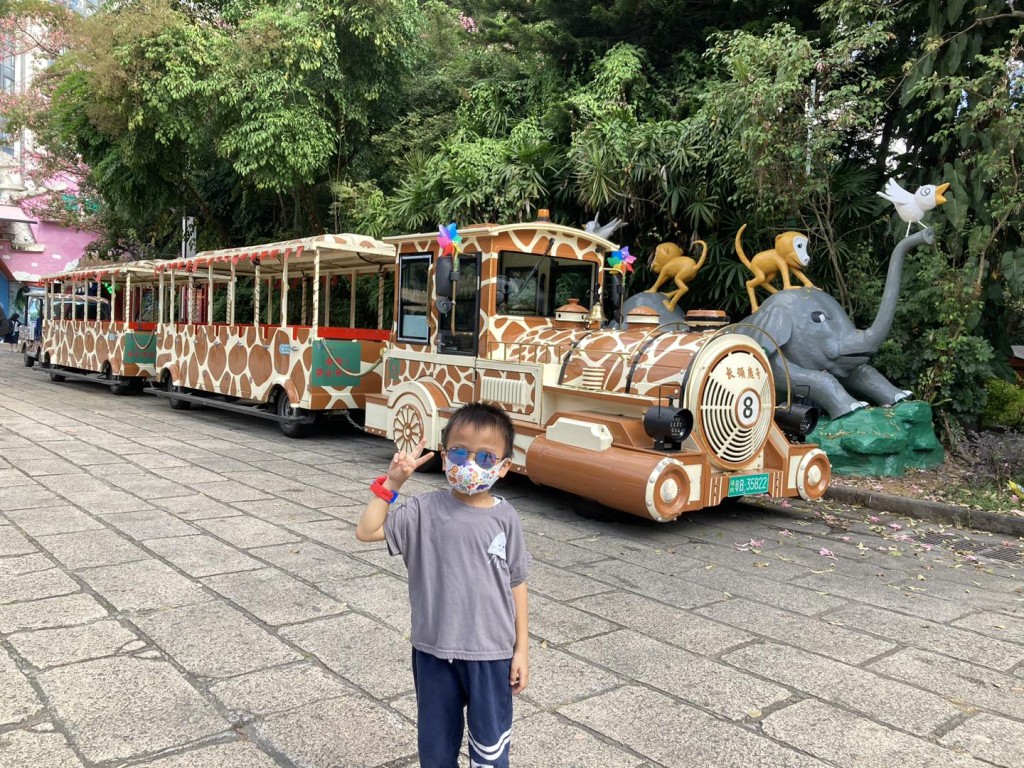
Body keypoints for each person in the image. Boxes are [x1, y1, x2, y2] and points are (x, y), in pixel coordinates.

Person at [356, 402, 531, 768]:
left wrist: (522, 651)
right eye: (459, 452)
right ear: (444, 453)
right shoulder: (422, 511)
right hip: (434, 650)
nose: (470, 464)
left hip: (492, 653)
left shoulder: (506, 518)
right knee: (436, 748)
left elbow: (517, 583)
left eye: (485, 457)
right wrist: (393, 483)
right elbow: (367, 530)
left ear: (504, 466)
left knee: (490, 749)